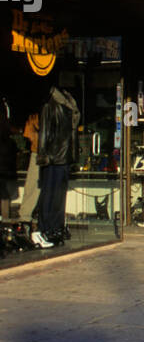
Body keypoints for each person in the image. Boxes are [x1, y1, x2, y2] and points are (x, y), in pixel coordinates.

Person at [34, 84, 80, 246]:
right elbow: (44, 132)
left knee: (59, 196)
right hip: (54, 157)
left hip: (63, 157)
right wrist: (43, 155)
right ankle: (45, 228)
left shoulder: (68, 103)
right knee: (50, 194)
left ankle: (55, 227)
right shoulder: (51, 106)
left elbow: (72, 134)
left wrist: (73, 157)